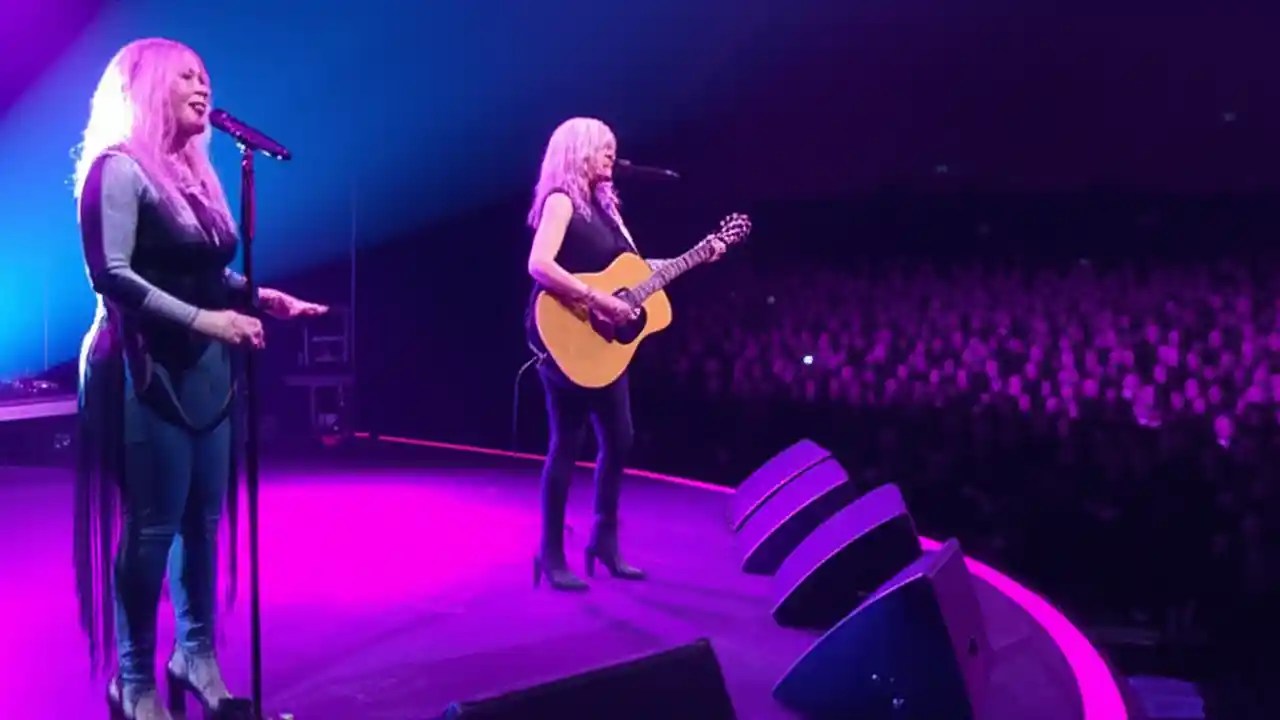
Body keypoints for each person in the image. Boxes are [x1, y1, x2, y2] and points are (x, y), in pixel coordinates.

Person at [72, 38, 327, 720]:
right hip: (140, 367)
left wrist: (257, 295)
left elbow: (203, 270)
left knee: (204, 521)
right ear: (149, 86)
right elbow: (113, 276)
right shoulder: (117, 170)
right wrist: (210, 323)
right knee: (153, 526)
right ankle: (134, 679)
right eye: (185, 75)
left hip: (207, 374)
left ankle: (196, 654)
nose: (201, 85)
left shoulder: (197, 175)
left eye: (206, 76)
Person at [524, 117, 722, 591]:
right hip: (565, 335)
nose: (613, 156)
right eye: (603, 148)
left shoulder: (608, 209)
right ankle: (550, 552)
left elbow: (630, 272)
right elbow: (539, 263)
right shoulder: (561, 201)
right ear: (578, 152)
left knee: (620, 439)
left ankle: (604, 541)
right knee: (567, 443)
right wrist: (595, 300)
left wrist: (696, 255)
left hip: (605, 344)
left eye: (614, 148)